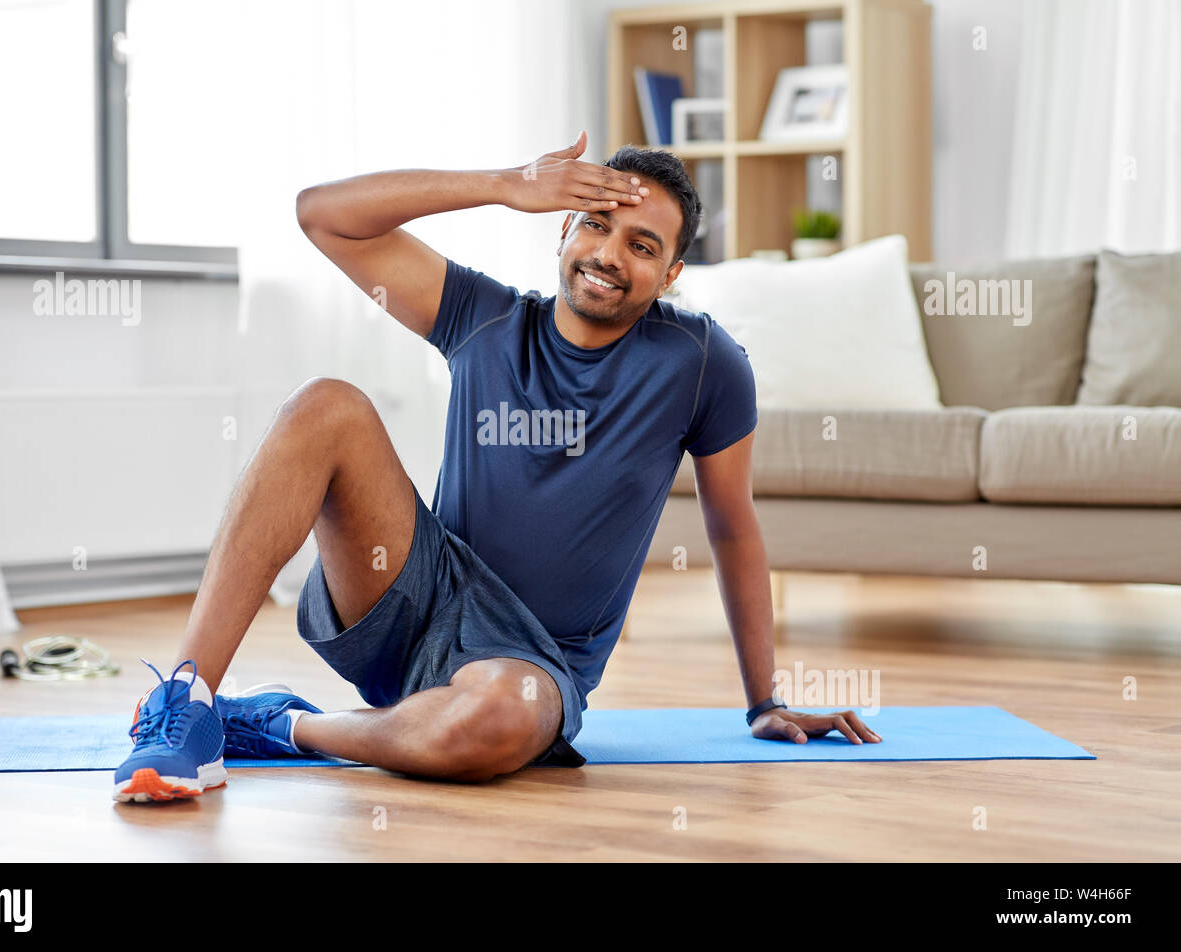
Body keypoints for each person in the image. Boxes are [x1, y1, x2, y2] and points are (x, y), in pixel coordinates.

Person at [113, 131, 881, 803]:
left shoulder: (704, 363)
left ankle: (285, 726)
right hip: (412, 599)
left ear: (672, 274)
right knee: (325, 406)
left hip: (530, 667)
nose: (609, 255)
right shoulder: (481, 317)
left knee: (503, 719)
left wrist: (763, 701)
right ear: (562, 232)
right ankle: (187, 699)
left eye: (642, 246)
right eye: (596, 225)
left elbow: (733, 529)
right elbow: (322, 215)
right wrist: (505, 186)